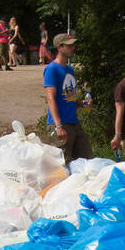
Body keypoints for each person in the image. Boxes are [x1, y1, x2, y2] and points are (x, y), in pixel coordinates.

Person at [44, 33, 90, 163]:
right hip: (60, 125)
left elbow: (67, 98)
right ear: (59, 47)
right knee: (62, 166)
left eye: (73, 45)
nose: (73, 48)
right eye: (69, 46)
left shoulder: (70, 70)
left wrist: (81, 103)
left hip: (74, 123)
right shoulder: (52, 69)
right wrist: (58, 126)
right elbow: (51, 99)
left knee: (88, 162)